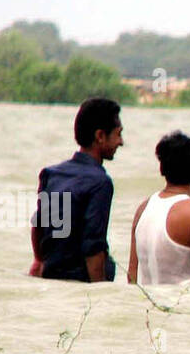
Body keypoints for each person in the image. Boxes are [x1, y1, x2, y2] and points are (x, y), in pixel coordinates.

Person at [30, 97, 123, 281]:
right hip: (78, 277)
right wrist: (100, 296)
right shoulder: (100, 183)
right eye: (118, 134)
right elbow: (93, 247)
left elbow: (39, 226)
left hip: (51, 272)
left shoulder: (53, 174)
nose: (121, 142)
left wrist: (39, 261)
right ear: (100, 136)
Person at [127, 131, 190, 286]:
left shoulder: (143, 208)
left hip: (145, 305)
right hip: (182, 306)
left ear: (162, 169)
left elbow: (131, 278)